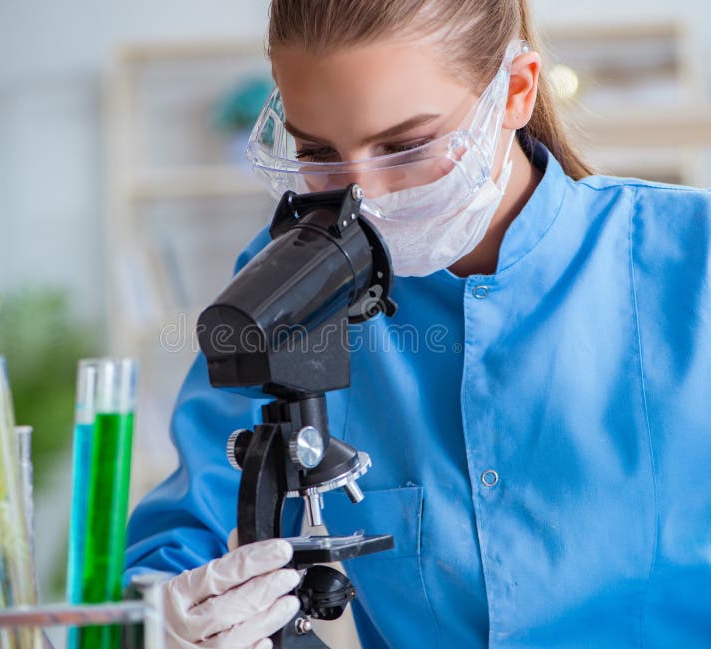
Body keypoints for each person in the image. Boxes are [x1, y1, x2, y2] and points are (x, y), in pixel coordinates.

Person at [124, 1, 711, 647]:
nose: (363, 197)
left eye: (405, 146)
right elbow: (186, 540)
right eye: (317, 151)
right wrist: (168, 618)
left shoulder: (694, 261)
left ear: (516, 91)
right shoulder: (298, 284)